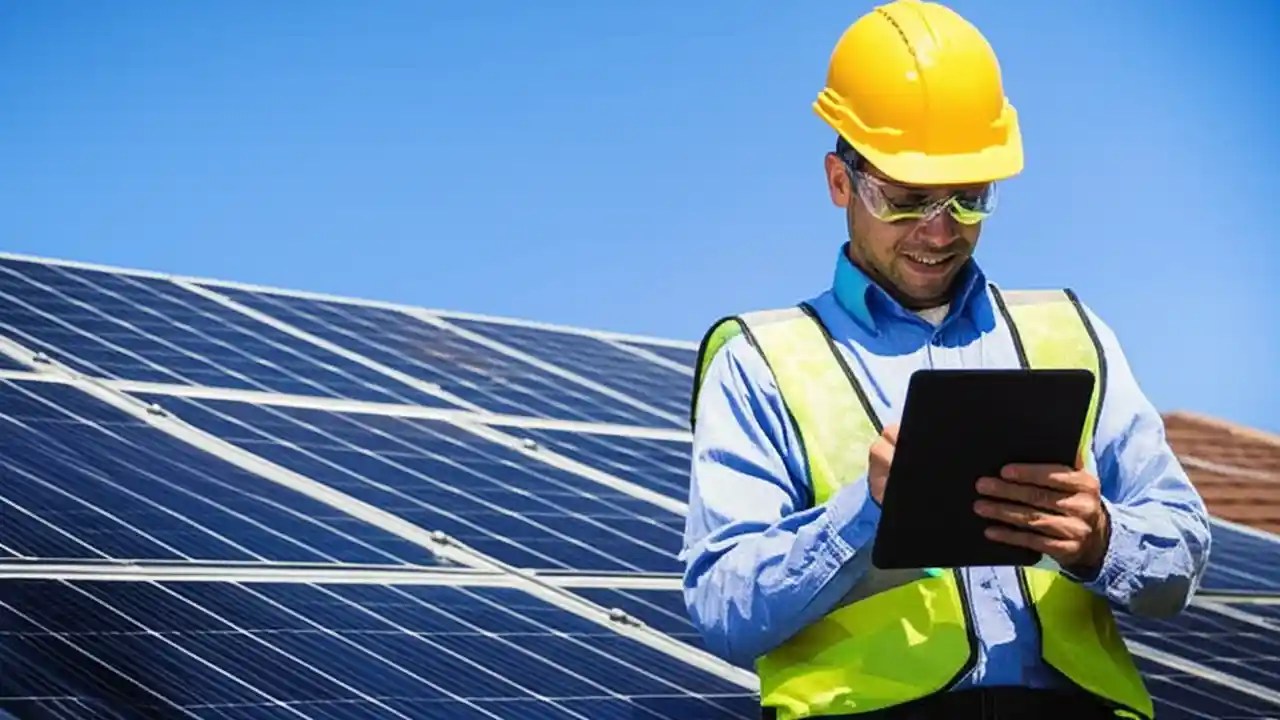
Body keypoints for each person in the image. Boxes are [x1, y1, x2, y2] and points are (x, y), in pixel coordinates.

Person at [680, 1, 1213, 719]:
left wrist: (1102, 541)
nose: (940, 230)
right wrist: (865, 516)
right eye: (907, 199)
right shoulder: (762, 361)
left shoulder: (1069, 331)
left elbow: (1181, 549)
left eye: (968, 200)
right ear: (840, 181)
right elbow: (722, 608)